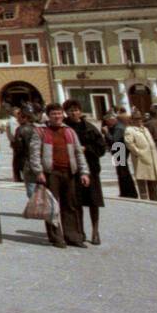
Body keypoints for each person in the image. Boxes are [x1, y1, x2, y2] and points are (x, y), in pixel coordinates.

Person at [27, 103, 90, 248]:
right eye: (54, 114)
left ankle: (72, 236)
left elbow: (78, 152)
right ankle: (56, 237)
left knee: (70, 205)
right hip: (51, 173)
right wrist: (39, 172)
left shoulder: (69, 131)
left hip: (69, 172)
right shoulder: (41, 131)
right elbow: (34, 153)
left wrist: (84, 172)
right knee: (52, 207)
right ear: (48, 115)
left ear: (63, 115)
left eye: (59, 113)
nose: (57, 116)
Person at [63, 100, 106, 244]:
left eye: (75, 110)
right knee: (76, 202)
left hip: (91, 169)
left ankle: (95, 231)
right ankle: (79, 231)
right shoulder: (64, 127)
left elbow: (101, 148)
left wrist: (86, 149)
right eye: (70, 110)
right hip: (72, 170)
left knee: (94, 202)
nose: (73, 113)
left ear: (80, 111)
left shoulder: (90, 128)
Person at [124, 112, 157, 202]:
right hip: (141, 158)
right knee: (142, 177)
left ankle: (155, 196)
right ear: (132, 120)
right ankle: (144, 197)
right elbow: (129, 143)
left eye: (140, 119)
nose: (139, 121)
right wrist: (138, 152)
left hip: (151, 156)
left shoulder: (145, 129)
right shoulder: (130, 130)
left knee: (152, 177)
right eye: (136, 119)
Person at [107, 113, 138, 198]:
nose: (107, 124)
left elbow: (114, 140)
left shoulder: (119, 128)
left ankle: (128, 192)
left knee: (123, 172)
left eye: (108, 122)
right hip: (118, 150)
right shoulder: (117, 127)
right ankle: (125, 192)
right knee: (121, 172)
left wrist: (106, 133)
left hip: (120, 150)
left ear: (112, 120)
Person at [13, 108, 37, 192]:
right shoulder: (36, 128)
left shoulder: (20, 130)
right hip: (37, 160)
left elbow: (18, 149)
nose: (17, 120)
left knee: (31, 188)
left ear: (25, 118)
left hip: (25, 161)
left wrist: (16, 169)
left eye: (18, 118)